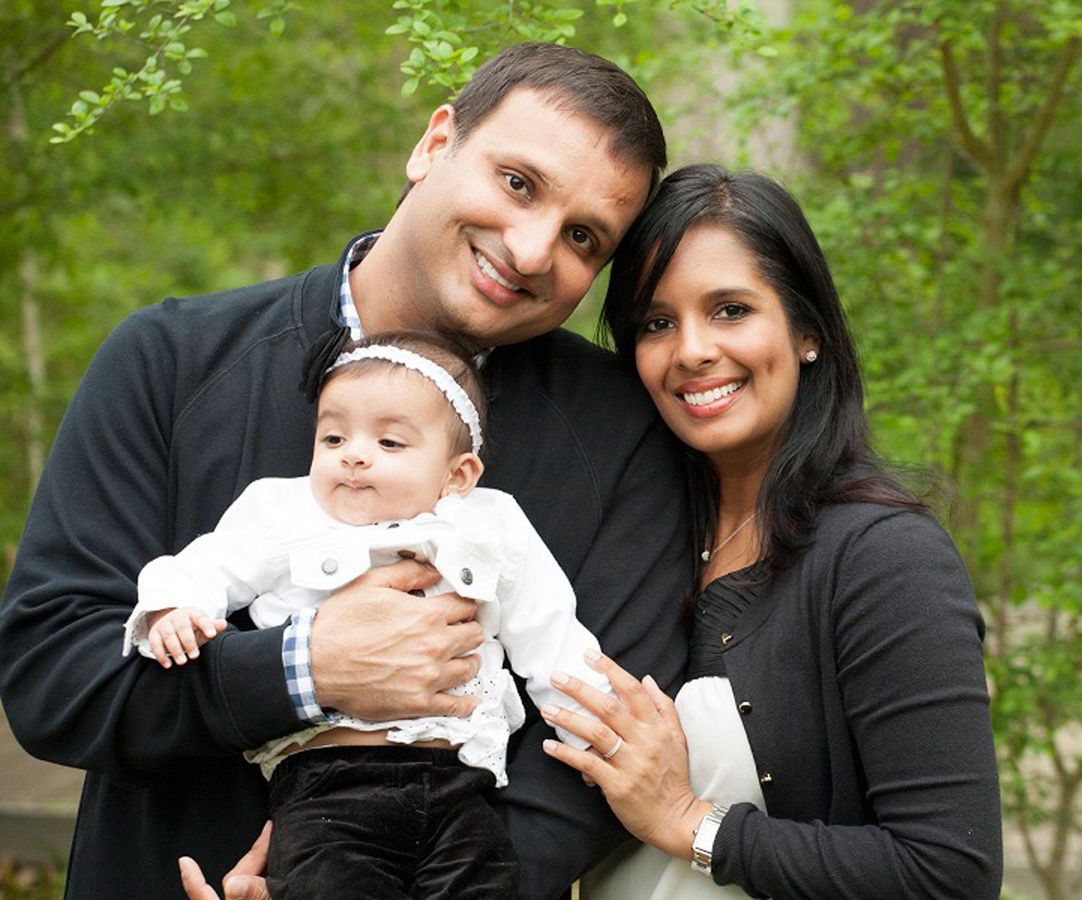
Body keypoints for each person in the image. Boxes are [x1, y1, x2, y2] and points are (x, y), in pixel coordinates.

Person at [0, 43, 691, 900]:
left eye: (584, 237)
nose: (531, 248)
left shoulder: (618, 434)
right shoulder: (171, 361)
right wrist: (302, 669)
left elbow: (598, 744)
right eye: (519, 183)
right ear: (435, 144)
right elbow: (53, 674)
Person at [539, 164, 1004, 897]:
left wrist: (690, 823)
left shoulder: (885, 559)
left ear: (807, 331)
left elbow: (947, 872)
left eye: (730, 310)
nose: (692, 349)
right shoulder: (631, 540)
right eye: (657, 323)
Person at [124, 330, 612, 897]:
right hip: (329, 789)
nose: (354, 454)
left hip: (462, 784)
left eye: (390, 443)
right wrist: (172, 609)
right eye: (333, 437)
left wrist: (593, 732)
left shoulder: (491, 523)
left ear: (458, 475)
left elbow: (550, 631)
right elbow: (207, 564)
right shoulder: (282, 511)